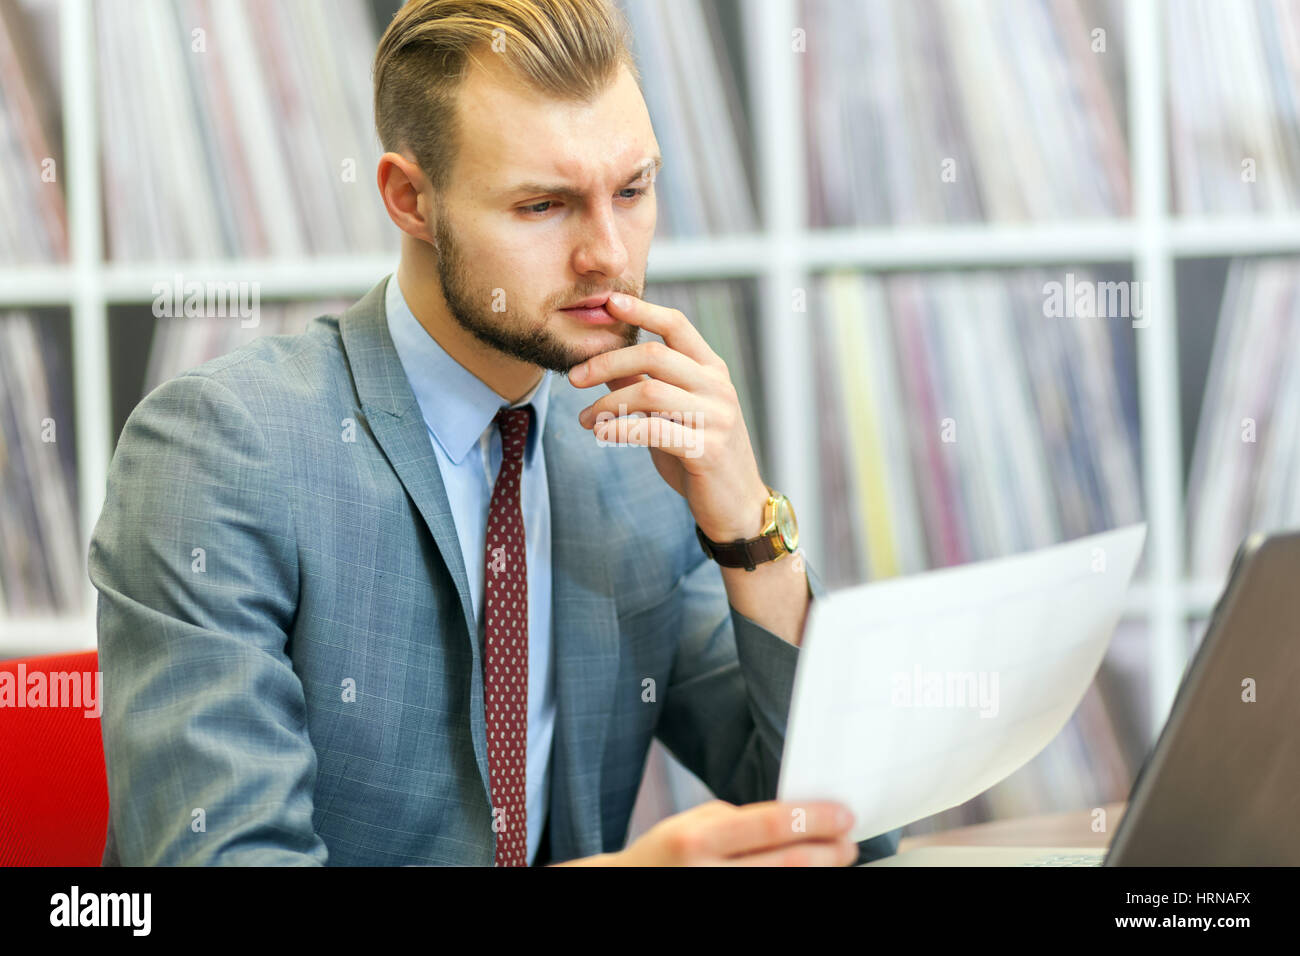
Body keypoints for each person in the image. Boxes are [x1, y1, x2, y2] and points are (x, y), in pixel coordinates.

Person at [89, 0, 900, 866]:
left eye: (632, 190)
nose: (610, 256)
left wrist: (749, 531)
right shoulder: (222, 448)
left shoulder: (631, 455)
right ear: (410, 199)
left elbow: (846, 819)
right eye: (544, 206)